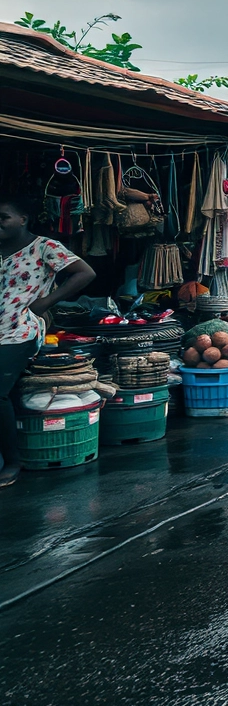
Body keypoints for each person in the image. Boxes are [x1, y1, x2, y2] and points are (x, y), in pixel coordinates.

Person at [0, 194, 96, 488]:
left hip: (20, 329)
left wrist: (45, 303)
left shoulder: (44, 246)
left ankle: (12, 462)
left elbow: (85, 273)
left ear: (22, 220)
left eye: (3, 217)